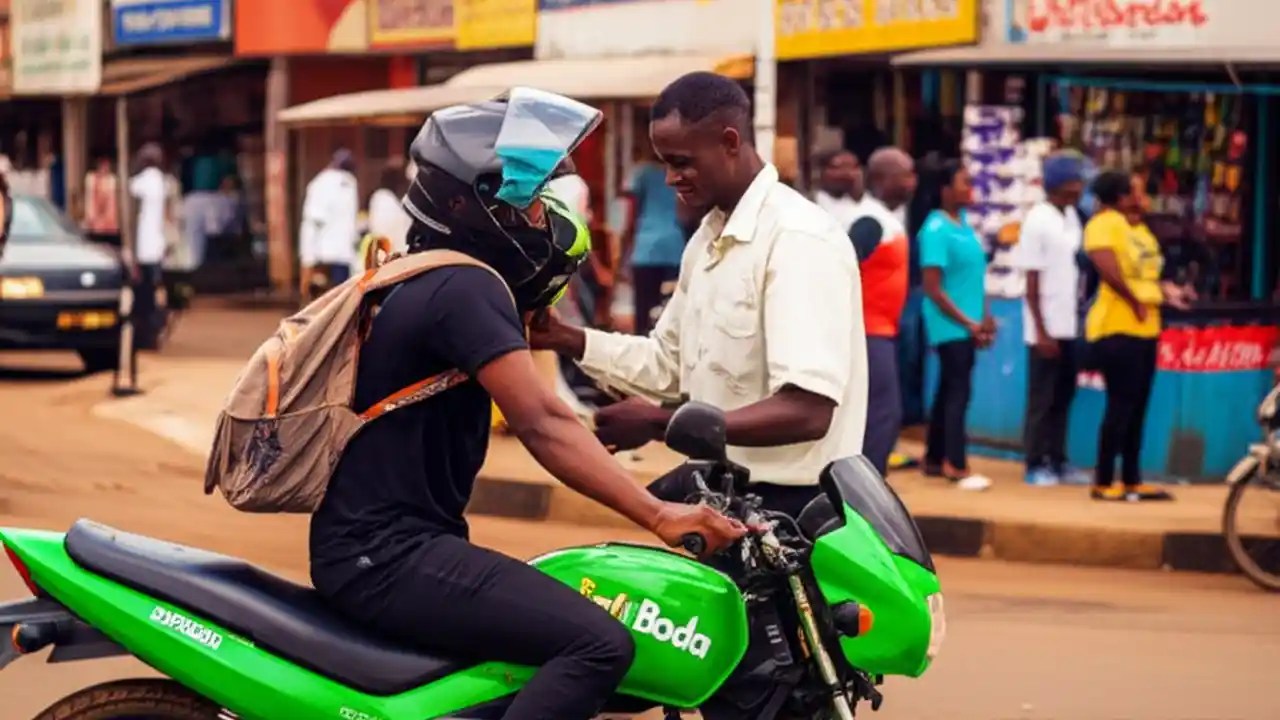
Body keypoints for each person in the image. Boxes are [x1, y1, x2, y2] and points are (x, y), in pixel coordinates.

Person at [530, 72, 867, 520]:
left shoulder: (797, 238)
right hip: (727, 492)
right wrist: (566, 338)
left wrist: (662, 424)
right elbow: (669, 365)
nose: (671, 179)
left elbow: (807, 410)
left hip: (794, 510)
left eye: (682, 162)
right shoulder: (707, 241)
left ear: (730, 142)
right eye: (665, 163)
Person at [1083, 170, 1193, 502]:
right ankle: (1104, 480)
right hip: (1118, 327)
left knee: (1138, 405)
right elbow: (1108, 268)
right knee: (1120, 404)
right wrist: (1134, 301)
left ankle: (1132, 478)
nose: (1142, 196)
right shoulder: (1103, 223)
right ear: (1120, 195)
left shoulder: (1139, 230)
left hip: (1146, 326)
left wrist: (1168, 291)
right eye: (1135, 191)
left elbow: (1145, 274)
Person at [917, 160, 994, 491]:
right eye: (963, 183)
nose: (969, 188)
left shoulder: (962, 223)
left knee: (949, 388)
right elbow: (933, 288)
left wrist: (984, 316)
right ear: (945, 190)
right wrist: (968, 323)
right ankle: (956, 463)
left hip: (969, 323)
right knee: (958, 392)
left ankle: (934, 458)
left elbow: (973, 278)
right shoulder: (935, 229)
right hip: (950, 324)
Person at [1013, 151, 1088, 486]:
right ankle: (1035, 462)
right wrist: (1042, 331)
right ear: (1058, 184)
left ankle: (1058, 460)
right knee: (1041, 399)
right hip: (1045, 328)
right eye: (1073, 181)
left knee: (1063, 397)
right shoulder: (1038, 220)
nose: (1079, 187)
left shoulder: (1071, 215)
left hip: (1070, 323)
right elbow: (1031, 281)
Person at [846, 146, 915, 477]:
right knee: (881, 416)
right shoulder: (870, 221)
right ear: (881, 179)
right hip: (868, 333)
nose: (912, 182)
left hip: (881, 331)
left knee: (882, 415)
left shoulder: (887, 220)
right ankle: (866, 489)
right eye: (905, 175)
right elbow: (841, 264)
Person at [624, 146, 687, 337]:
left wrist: (624, 249)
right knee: (672, 312)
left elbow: (632, 216)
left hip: (646, 250)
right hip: (675, 248)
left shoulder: (642, 174)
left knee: (643, 314)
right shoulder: (682, 174)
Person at [299, 149, 359, 298]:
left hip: (324, 253)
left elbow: (313, 220)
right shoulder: (350, 182)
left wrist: (308, 257)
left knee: (323, 299)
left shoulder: (321, 182)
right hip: (341, 253)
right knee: (340, 298)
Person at [129, 143, 170, 350]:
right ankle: (156, 331)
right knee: (155, 290)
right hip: (157, 246)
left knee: (142, 295)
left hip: (142, 248)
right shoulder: (163, 182)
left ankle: (145, 334)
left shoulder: (140, 183)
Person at [812, 148, 864, 232]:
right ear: (821, 171)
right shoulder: (811, 202)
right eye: (838, 168)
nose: (846, 173)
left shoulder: (867, 206)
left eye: (852, 167)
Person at [83, 157, 120, 247]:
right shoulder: (91, 178)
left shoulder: (111, 179)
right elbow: (90, 198)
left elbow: (112, 201)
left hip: (108, 219)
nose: (105, 169)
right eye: (103, 166)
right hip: (95, 217)